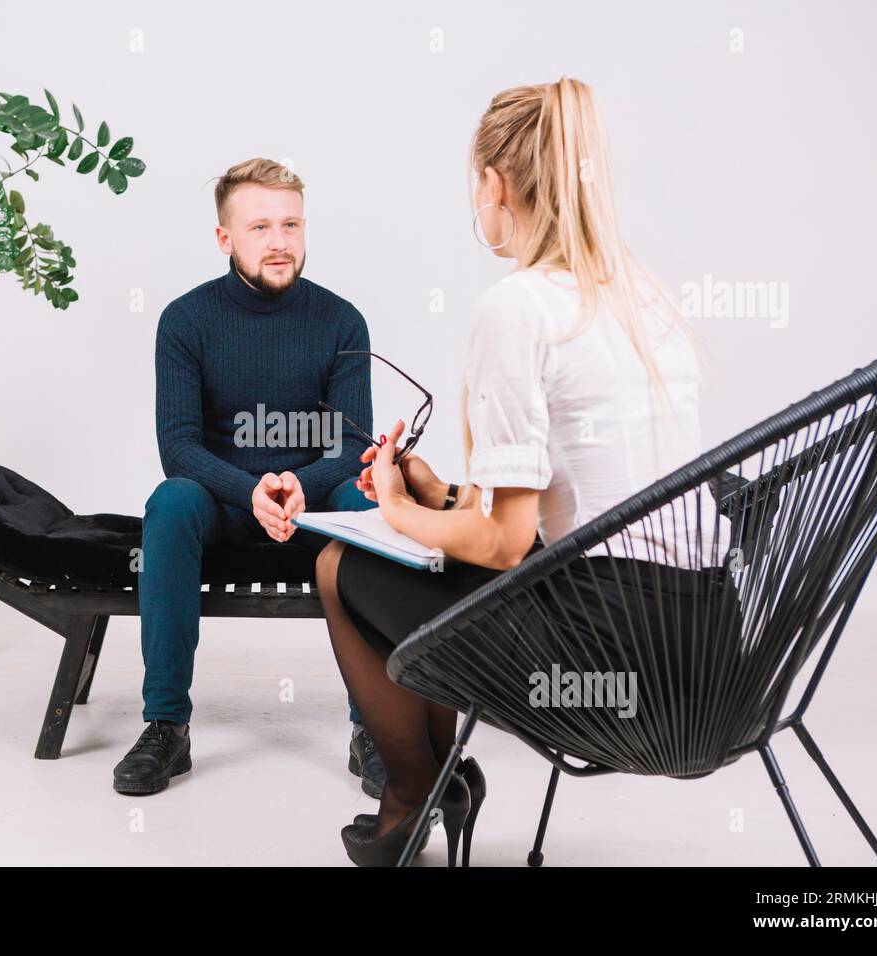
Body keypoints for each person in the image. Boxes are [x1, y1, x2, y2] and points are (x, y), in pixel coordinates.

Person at [315, 77, 726, 866]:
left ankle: (412, 795)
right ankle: (436, 786)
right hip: (711, 649)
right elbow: (588, 503)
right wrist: (444, 495)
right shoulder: (647, 300)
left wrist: (399, 507)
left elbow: (504, 547)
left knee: (341, 564)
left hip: (612, 660)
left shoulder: (519, 306)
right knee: (436, 547)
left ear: (495, 185)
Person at [113, 158, 388, 797]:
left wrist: (297, 484)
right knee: (171, 501)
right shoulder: (186, 321)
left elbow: (353, 443)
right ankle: (166, 725)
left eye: (290, 224)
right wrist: (252, 490)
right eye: (259, 226)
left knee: (364, 499)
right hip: (224, 504)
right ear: (225, 238)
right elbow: (178, 446)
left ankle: (376, 724)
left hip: (312, 501)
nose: (279, 241)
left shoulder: (341, 321)